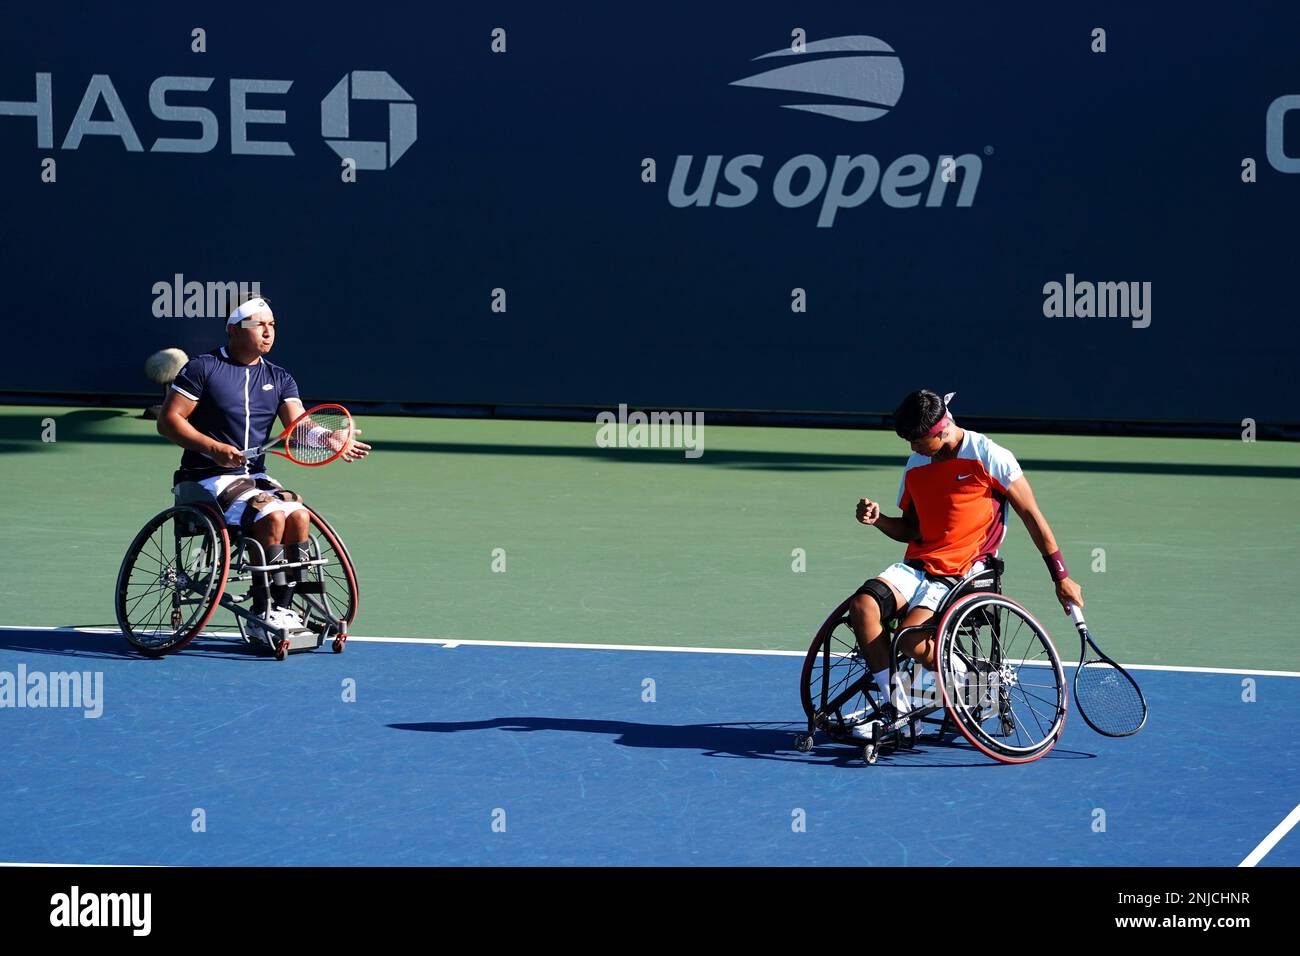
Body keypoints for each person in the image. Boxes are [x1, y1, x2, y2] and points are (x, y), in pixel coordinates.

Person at [851, 389, 1083, 728]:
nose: (911, 448)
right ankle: (897, 706)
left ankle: (970, 677)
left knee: (910, 637)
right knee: (863, 606)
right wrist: (879, 520)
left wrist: (1060, 576)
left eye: (916, 440)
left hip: (965, 570)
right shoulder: (916, 463)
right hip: (918, 566)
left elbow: (1032, 516)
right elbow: (911, 529)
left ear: (941, 430)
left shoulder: (989, 455)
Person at [155, 295, 371, 642]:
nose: (268, 332)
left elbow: (299, 426)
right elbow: (168, 422)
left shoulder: (279, 378)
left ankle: (283, 607)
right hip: (205, 478)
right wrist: (214, 449)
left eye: (272, 325)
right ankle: (261, 613)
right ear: (233, 330)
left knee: (298, 513)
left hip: (252, 478)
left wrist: (328, 438)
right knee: (270, 515)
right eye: (259, 325)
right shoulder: (202, 368)